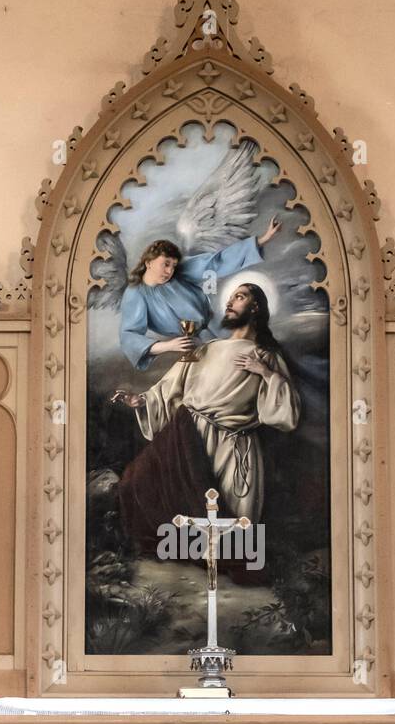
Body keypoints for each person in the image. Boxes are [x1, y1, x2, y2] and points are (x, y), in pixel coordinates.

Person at [111, 282, 299, 549]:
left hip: (234, 447)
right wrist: (141, 400)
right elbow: (169, 387)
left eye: (240, 297)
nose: (230, 302)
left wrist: (265, 373)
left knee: (233, 526)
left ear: (255, 307)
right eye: (230, 297)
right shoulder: (207, 349)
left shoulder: (265, 357)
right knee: (149, 491)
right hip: (189, 439)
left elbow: (286, 414)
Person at [118, 217, 281, 369]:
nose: (169, 271)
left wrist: (262, 240)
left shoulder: (178, 272)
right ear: (148, 262)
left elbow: (215, 263)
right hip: (193, 345)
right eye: (166, 264)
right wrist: (169, 346)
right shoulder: (135, 294)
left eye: (173, 265)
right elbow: (129, 336)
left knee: (261, 359)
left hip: (220, 326)